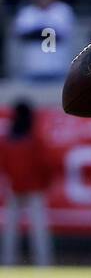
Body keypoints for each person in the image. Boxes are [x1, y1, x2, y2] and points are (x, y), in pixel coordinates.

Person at [0, 101, 54, 267]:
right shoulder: (34, 139)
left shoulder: (10, 140)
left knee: (11, 230)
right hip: (32, 189)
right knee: (37, 230)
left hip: (19, 189)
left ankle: (9, 263)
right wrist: (44, 184)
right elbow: (46, 165)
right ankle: (43, 263)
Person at [12, 0, 76, 81]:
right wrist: (45, 31)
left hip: (58, 69)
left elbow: (60, 35)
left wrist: (36, 33)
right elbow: (21, 35)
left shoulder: (63, 10)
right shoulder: (27, 12)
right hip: (31, 70)